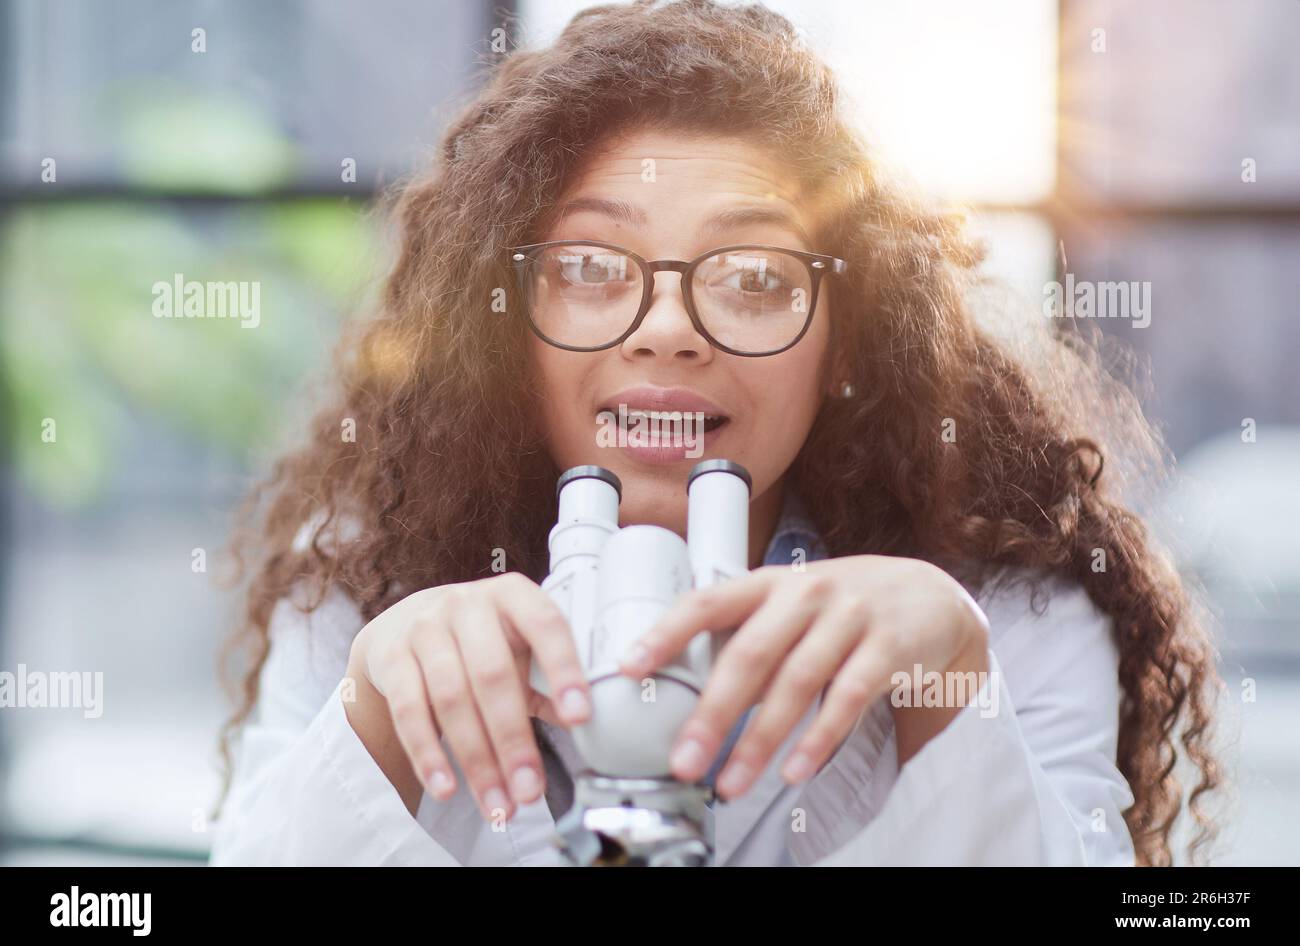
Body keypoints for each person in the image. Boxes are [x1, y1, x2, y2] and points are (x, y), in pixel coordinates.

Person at [210, 0, 1220, 866]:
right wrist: (375, 722)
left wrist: (946, 690)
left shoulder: (1018, 620)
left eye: (751, 280)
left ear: (846, 339)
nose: (667, 330)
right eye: (593, 267)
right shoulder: (356, 603)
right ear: (501, 325)